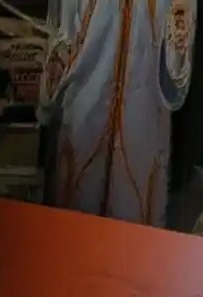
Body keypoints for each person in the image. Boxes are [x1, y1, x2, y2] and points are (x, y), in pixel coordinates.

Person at [38, 0, 195, 227]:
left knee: (134, 214)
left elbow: (179, 38)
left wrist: (177, 46)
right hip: (84, 106)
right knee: (74, 217)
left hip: (142, 111)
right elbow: (62, 31)